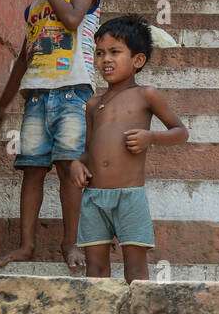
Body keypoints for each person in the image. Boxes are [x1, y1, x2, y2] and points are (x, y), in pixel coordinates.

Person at [0, 0, 99, 271]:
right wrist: (2, 106)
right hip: (37, 97)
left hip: (72, 94)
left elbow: (71, 19)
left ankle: (70, 243)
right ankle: (27, 244)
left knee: (69, 167)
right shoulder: (35, 8)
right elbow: (23, 59)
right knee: (32, 170)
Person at [68, 15, 187, 283]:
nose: (105, 60)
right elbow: (90, 150)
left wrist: (150, 137)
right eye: (99, 53)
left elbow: (180, 132)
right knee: (95, 269)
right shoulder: (92, 104)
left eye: (114, 52)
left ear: (138, 61)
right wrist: (78, 162)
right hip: (94, 198)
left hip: (129, 197)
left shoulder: (146, 95)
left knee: (135, 268)